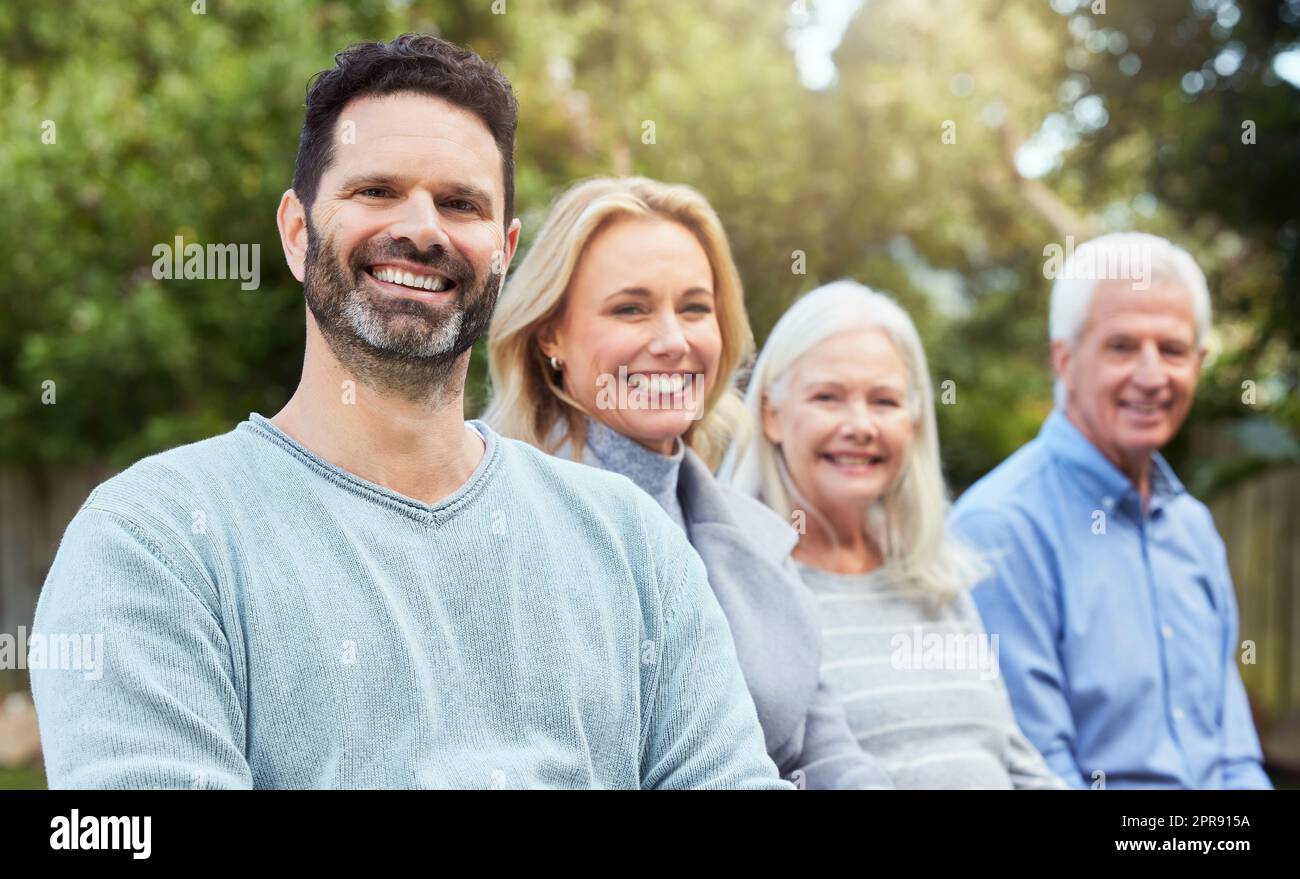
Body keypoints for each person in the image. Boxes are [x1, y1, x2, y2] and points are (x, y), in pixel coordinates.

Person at [29, 35, 784, 790]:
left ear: (504, 250)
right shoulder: (152, 541)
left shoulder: (631, 542)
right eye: (376, 191)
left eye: (461, 203)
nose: (422, 230)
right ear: (297, 233)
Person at [484, 178, 892, 789]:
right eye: (631, 308)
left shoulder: (760, 541)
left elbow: (830, 755)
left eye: (695, 308)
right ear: (551, 335)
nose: (674, 341)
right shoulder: (495, 520)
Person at [951, 233, 1271, 789]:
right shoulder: (998, 528)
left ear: (1197, 363)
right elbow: (1037, 770)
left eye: (1172, 350)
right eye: (1122, 346)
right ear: (1065, 361)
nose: (1151, 377)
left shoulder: (1193, 529)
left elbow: (1236, 757)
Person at [721, 280, 1062, 789]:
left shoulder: (935, 577)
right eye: (828, 397)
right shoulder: (743, 589)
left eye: (883, 401)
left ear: (914, 419)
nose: (860, 425)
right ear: (771, 414)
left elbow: (1016, 761)